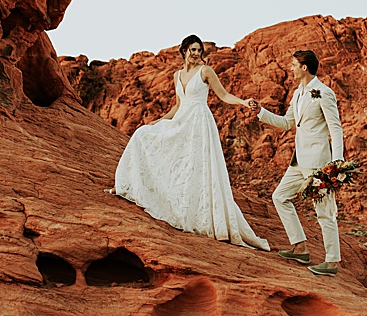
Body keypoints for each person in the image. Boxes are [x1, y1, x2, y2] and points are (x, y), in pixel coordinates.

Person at [109, 35, 268, 251]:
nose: (196, 53)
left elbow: (223, 95)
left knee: (197, 165)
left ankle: (201, 216)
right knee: (144, 136)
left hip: (199, 122)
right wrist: (158, 121)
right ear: (183, 51)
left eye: (198, 50)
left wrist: (242, 102)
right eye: (192, 49)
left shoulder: (206, 71)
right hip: (181, 120)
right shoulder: (177, 75)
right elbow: (177, 106)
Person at [246, 49, 345, 277]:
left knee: (325, 212)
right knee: (279, 197)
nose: (290, 68)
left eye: (293, 64)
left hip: (319, 163)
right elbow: (286, 123)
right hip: (298, 161)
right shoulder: (297, 94)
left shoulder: (323, 92)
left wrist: (337, 162)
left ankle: (331, 262)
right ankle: (300, 247)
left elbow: (335, 127)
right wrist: (261, 111)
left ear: (304, 67)